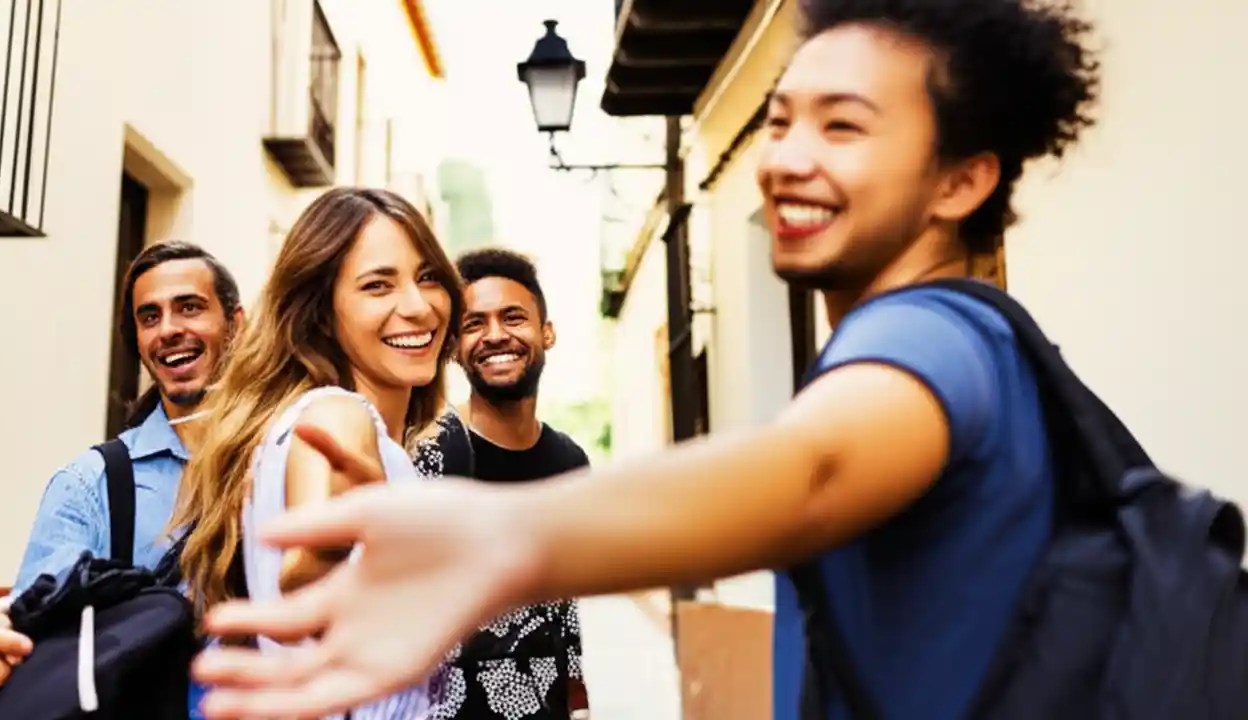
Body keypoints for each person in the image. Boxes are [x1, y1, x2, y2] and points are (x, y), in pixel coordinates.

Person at [189, 0, 1101, 718]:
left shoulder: (931, 337)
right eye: (779, 120)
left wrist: (500, 539)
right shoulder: (944, 337)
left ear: (961, 180)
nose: (784, 157)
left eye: (844, 127)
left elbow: (809, 473)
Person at [170, 187, 464, 720]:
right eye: (378, 286)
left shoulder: (295, 423)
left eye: (428, 278)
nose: (418, 307)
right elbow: (305, 568)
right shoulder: (336, 416)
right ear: (323, 316)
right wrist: (326, 554)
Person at [0, 241, 243, 688]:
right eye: (149, 317)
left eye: (189, 308)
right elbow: (34, 613)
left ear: (236, 325)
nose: (168, 330)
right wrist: (0, 621)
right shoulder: (89, 485)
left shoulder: (284, 457)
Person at [418, 248, 590, 720]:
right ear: (454, 347)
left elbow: (564, 607)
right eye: (474, 324)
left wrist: (578, 699)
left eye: (513, 317)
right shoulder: (428, 457)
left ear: (546, 333)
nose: (495, 336)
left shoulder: (570, 462)